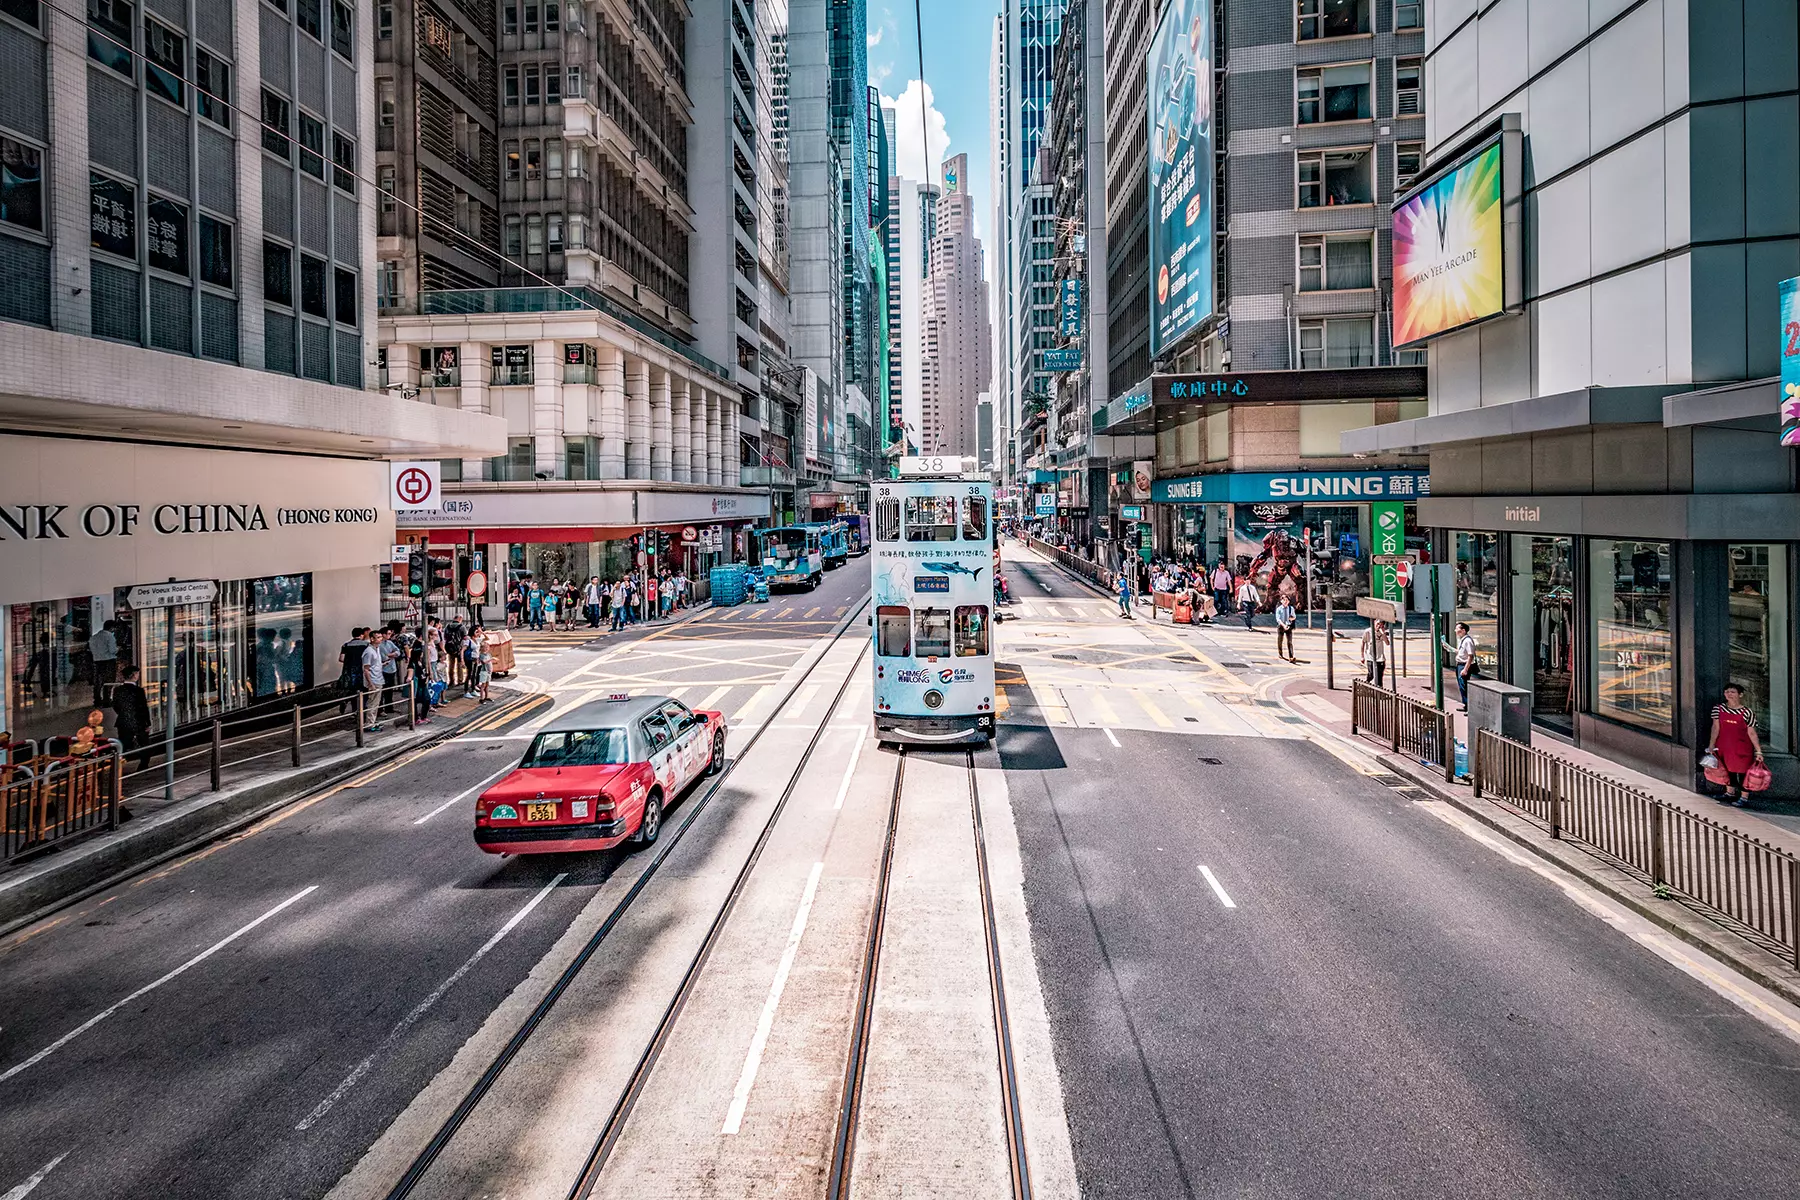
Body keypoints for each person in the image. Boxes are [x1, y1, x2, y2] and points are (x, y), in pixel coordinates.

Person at [1705, 684, 1763, 806]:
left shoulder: (1747, 712)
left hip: (1742, 748)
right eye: (1727, 691)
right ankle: (1729, 793)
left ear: (1740, 695)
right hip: (1724, 746)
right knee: (1726, 770)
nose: (1729, 694)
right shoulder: (1718, 709)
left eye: (1732, 692)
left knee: (1743, 773)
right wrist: (1711, 744)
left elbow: (1751, 732)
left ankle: (1744, 797)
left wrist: (1758, 751)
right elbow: (1715, 727)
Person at [111, 665, 153, 771]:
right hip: (138, 721)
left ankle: (118, 766)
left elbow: (115, 706)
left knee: (123, 744)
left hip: (123, 721)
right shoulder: (138, 691)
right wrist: (147, 723)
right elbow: (143, 708)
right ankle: (143, 765)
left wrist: (123, 714)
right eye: (137, 674)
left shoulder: (118, 690)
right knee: (144, 744)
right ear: (134, 675)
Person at [1443, 621, 1479, 710]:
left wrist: (1465, 669)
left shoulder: (1467, 641)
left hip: (1464, 665)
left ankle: (1469, 707)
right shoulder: (1463, 640)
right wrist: (1450, 649)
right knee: (1462, 686)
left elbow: (1471, 656)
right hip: (1460, 665)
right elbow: (1462, 652)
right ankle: (1466, 705)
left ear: (1463, 630)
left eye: (1457, 628)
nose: (1455, 630)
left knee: (1464, 686)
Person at [89, 619, 119, 704]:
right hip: (109, 661)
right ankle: (106, 699)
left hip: (97, 661)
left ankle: (97, 699)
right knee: (108, 680)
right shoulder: (110, 636)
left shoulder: (94, 637)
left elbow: (91, 650)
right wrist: (118, 649)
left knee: (98, 681)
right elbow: (112, 650)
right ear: (112, 628)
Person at [361, 631, 386, 732]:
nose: (381, 639)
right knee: (372, 703)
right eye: (378, 637)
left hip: (378, 678)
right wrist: (370, 683)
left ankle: (371, 722)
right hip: (374, 680)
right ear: (372, 639)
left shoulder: (377, 649)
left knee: (375, 703)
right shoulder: (368, 651)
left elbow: (374, 664)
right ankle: (369, 724)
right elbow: (366, 669)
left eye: (381, 637)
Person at [1360, 619, 1390, 688]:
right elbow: (1363, 643)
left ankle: (1379, 690)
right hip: (1370, 656)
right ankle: (1367, 683)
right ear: (1374, 623)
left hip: (1380, 658)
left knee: (1380, 676)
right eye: (1377, 624)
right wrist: (1362, 656)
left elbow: (1387, 643)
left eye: (1381, 625)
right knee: (1371, 674)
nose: (1378, 626)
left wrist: (1383, 633)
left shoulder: (1382, 633)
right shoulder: (1368, 632)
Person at [1274, 595, 1298, 661]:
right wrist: (1283, 625)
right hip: (1281, 626)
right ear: (1281, 601)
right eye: (1284, 600)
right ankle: (1280, 653)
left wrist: (1291, 618)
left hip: (1288, 626)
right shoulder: (1279, 609)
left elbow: (1294, 617)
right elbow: (1278, 619)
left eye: (1287, 600)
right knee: (1280, 640)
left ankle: (1291, 656)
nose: (1285, 601)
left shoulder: (1291, 608)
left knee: (1289, 641)